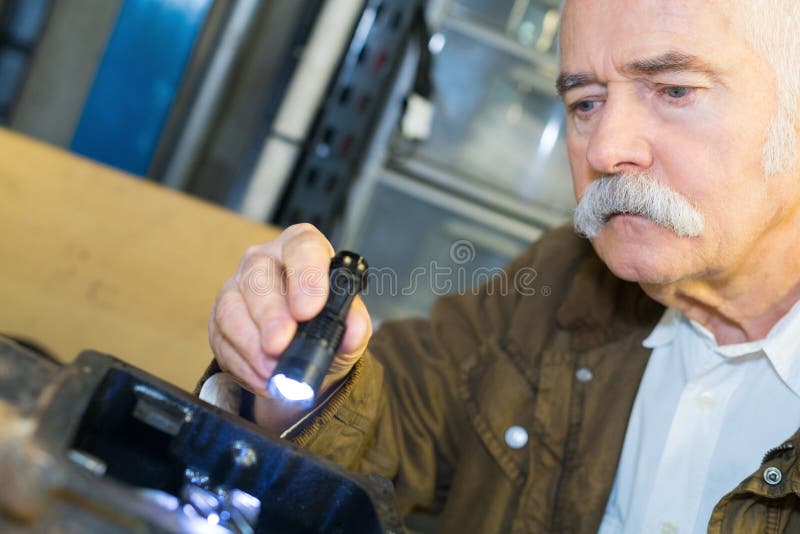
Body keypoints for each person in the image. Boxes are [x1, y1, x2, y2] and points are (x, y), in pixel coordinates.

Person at [197, 0, 800, 532]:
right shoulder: (568, 279)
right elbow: (393, 426)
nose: (605, 147)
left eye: (674, 90)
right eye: (585, 102)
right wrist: (295, 362)